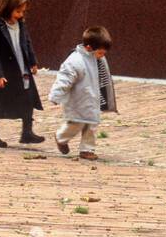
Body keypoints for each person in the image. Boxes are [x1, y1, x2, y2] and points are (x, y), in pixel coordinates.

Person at [0, 0, 44, 148]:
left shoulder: (21, 24)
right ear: (7, 8)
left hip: (21, 67)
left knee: (28, 97)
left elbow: (27, 43)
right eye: (18, 11)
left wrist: (32, 62)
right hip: (5, 71)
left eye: (23, 12)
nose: (21, 15)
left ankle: (27, 132)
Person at [49, 25, 116, 160]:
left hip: (93, 99)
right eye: (100, 53)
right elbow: (64, 79)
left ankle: (87, 149)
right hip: (78, 101)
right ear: (89, 48)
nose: (102, 56)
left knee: (92, 125)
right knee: (76, 123)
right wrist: (56, 95)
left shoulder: (99, 60)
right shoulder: (75, 61)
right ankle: (61, 137)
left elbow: (104, 78)